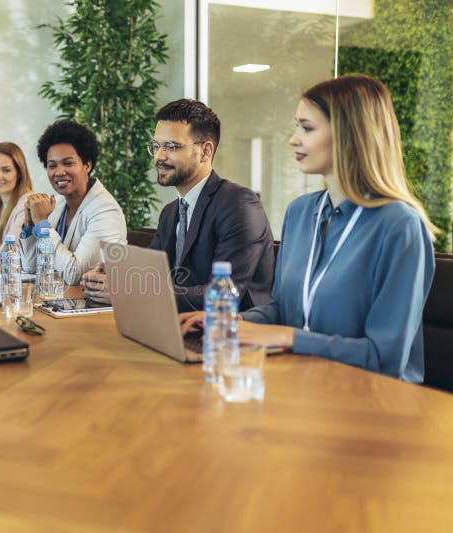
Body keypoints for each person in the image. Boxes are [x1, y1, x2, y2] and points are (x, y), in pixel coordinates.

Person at [180, 74, 437, 382]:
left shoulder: (399, 226)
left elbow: (385, 358)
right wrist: (228, 320)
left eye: (307, 127)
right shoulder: (301, 212)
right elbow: (281, 310)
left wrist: (286, 337)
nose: (293, 138)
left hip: (372, 400)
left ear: (349, 135)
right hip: (303, 382)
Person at [82, 99, 274, 311]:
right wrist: (119, 275)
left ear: (205, 151)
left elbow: (222, 294)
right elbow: (154, 274)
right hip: (176, 325)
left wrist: (130, 291)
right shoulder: (171, 212)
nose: (159, 156)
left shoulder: (239, 205)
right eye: (156, 146)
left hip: (229, 334)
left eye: (171, 146)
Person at [20, 120, 127, 285]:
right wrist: (29, 224)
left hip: (95, 307)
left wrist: (41, 223)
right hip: (61, 302)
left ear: (87, 165)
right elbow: (31, 267)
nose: (59, 172)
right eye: (52, 166)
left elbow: (75, 275)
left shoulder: (105, 210)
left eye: (68, 163)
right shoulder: (59, 204)